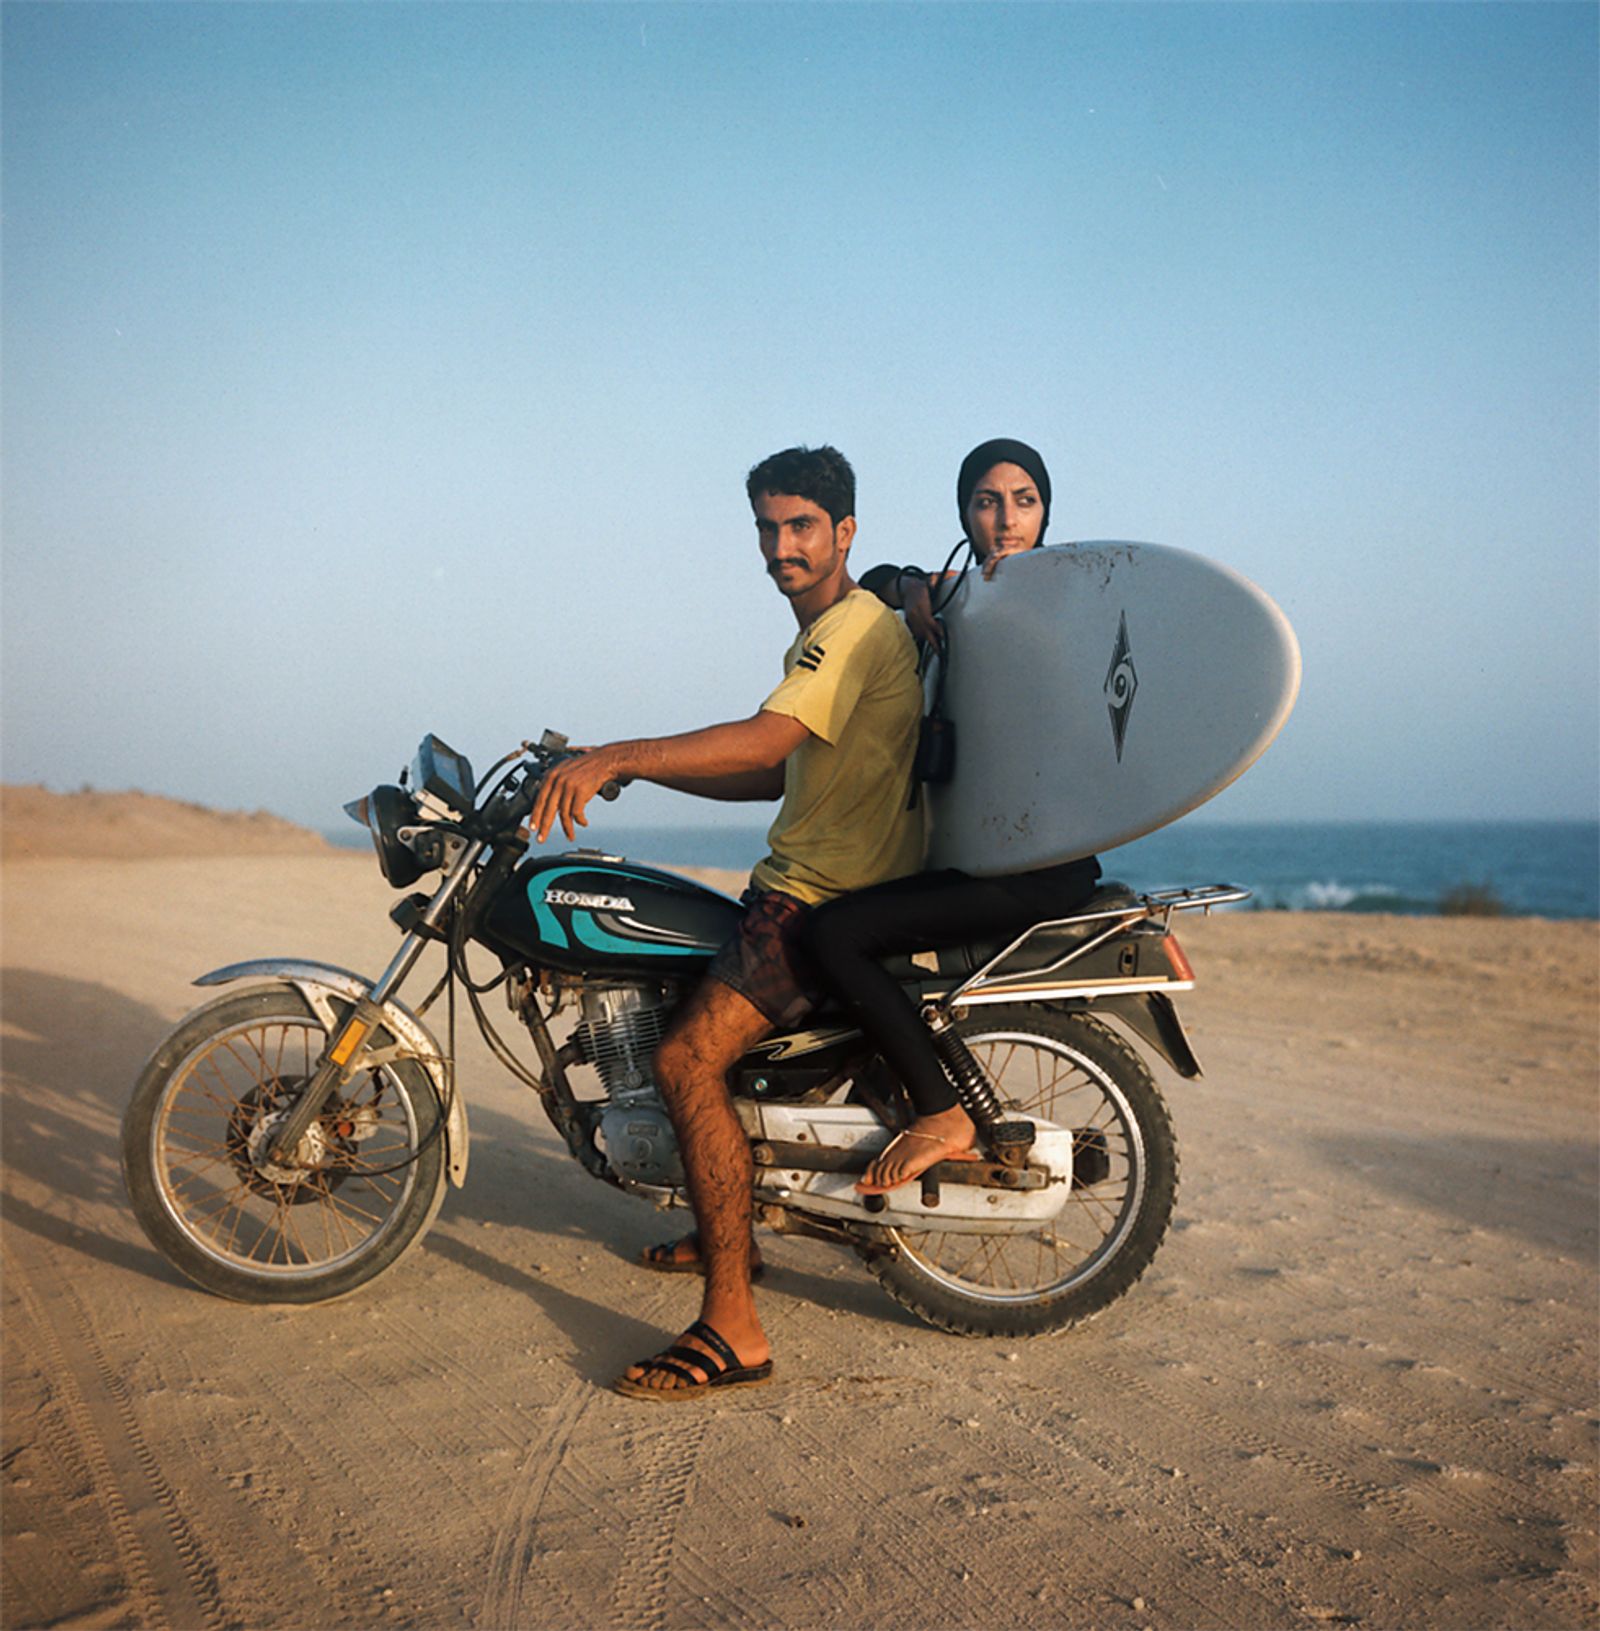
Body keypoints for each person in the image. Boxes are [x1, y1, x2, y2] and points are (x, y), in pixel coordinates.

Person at [529, 445, 923, 1399]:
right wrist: (634, 767)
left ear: (845, 533)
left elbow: (767, 737)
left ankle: (734, 1324)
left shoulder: (851, 629)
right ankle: (730, 1226)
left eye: (801, 526)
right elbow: (772, 770)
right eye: (767, 526)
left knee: (683, 1062)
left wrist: (624, 747)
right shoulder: (826, 633)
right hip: (809, 877)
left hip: (821, 895)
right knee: (679, 1018)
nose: (781, 544)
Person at [805, 438, 1103, 1195]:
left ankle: (940, 1109)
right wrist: (911, 583)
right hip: (977, 854)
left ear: (1047, 511)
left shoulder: (1072, 604)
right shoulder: (959, 598)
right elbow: (870, 583)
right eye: (986, 501)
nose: (1006, 521)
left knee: (833, 934)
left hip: (1038, 867)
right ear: (965, 512)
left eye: (1025, 501)